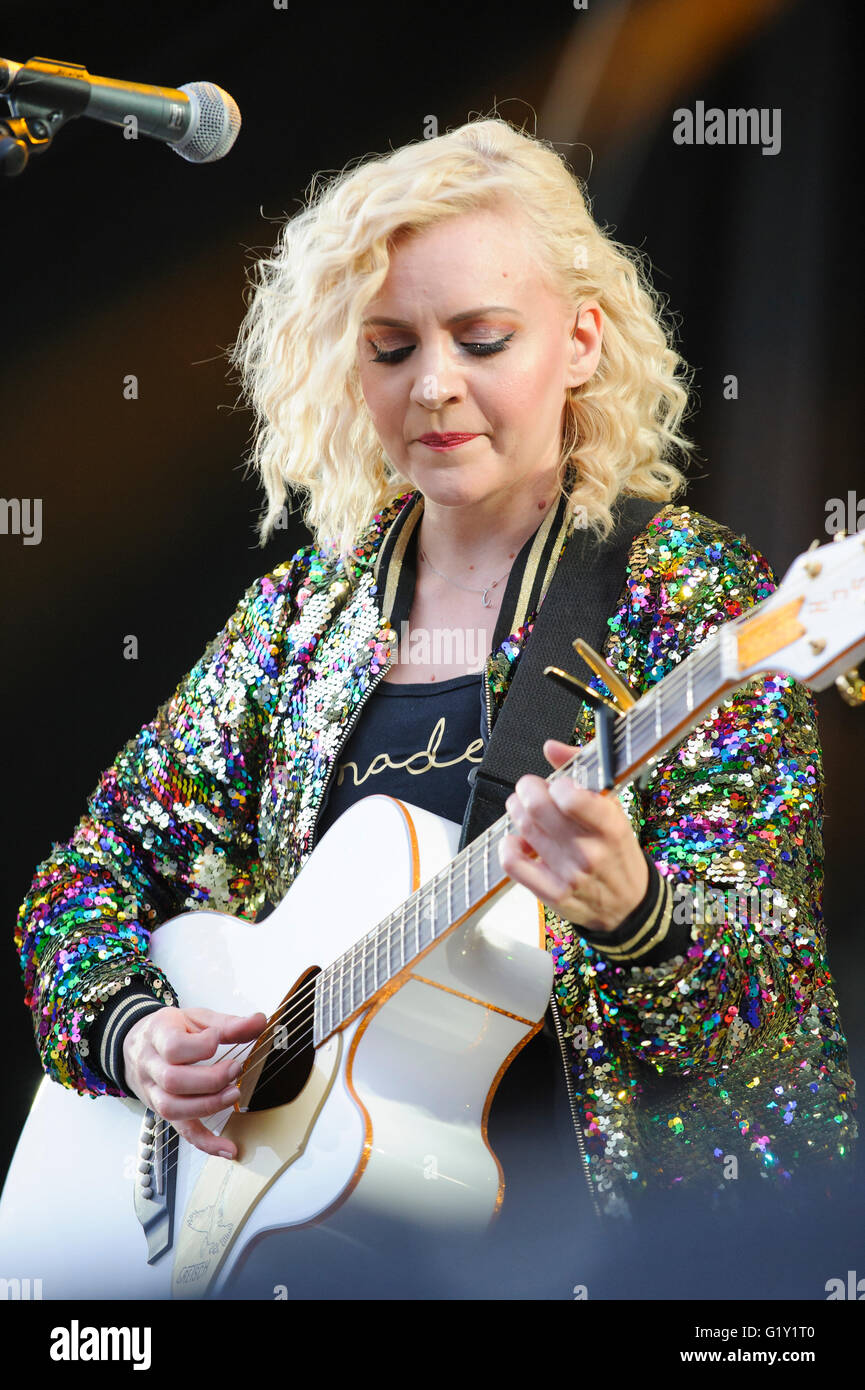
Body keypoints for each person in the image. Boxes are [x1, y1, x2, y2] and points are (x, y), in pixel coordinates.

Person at [14, 116, 856, 1298]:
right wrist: (136, 1036)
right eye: (391, 346)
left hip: (628, 1259)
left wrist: (636, 913)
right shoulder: (299, 620)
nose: (434, 385)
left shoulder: (683, 597)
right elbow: (83, 880)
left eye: (482, 337)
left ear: (579, 342)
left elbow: (773, 1000)